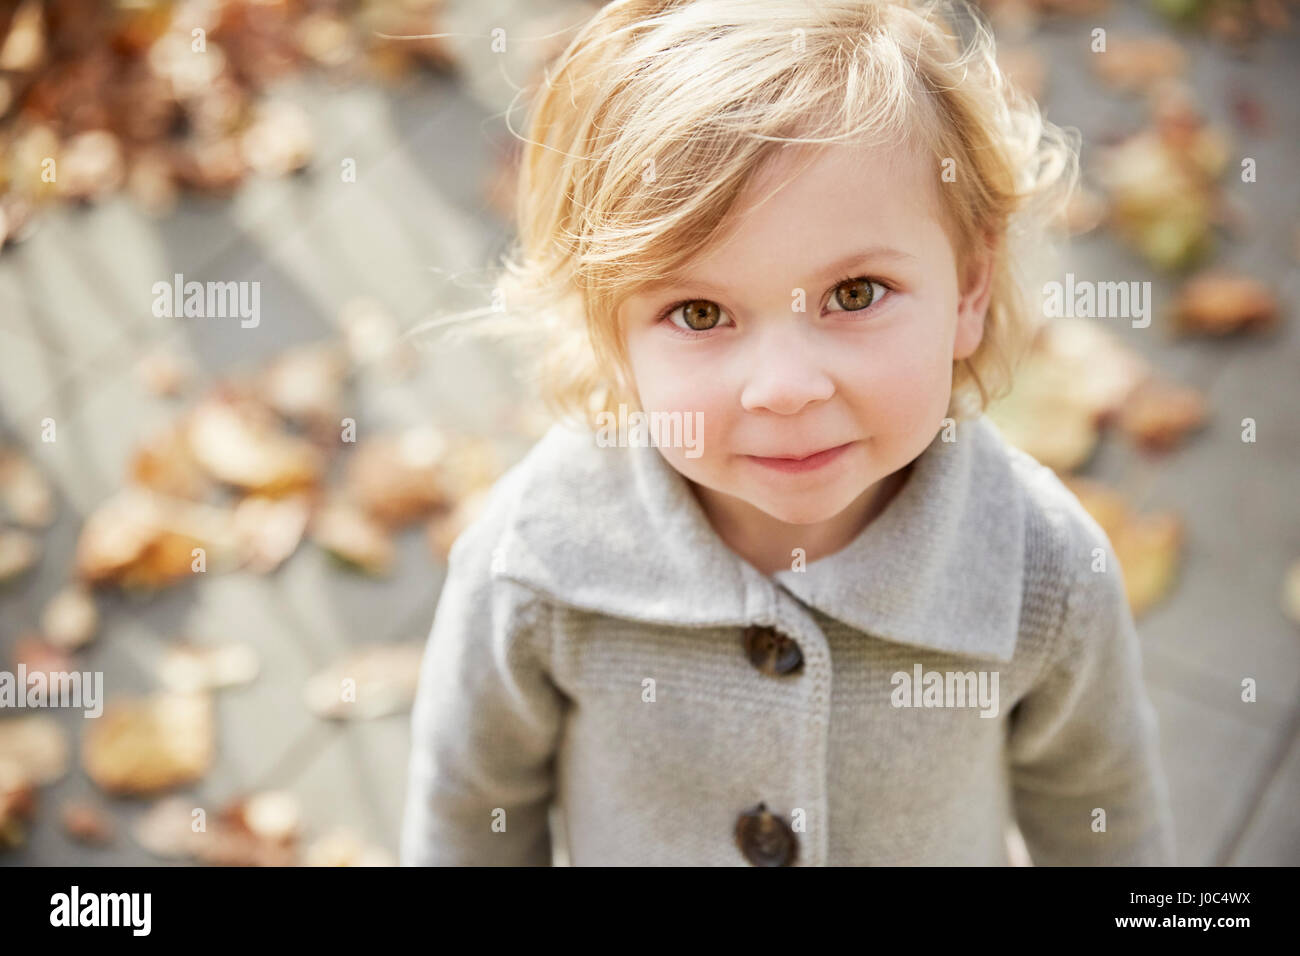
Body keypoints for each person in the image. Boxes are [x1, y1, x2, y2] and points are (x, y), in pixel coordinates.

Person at [399, 0, 1176, 866]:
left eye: (854, 295)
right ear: (611, 333)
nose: (784, 388)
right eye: (700, 312)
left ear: (968, 288)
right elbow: (468, 811)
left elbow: (1105, 819)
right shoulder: (538, 559)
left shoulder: (1043, 570)